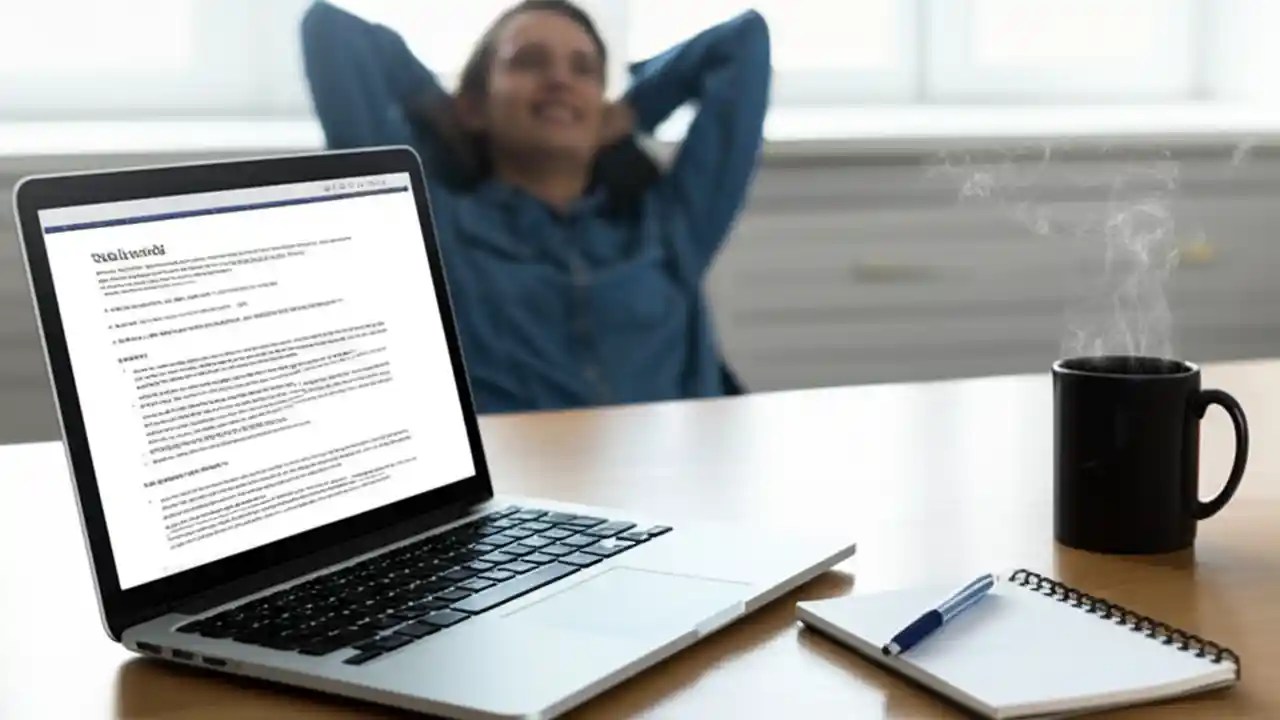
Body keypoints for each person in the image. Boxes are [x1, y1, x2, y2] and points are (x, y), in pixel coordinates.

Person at [301, 1, 770, 413]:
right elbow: (330, 31)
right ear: (475, 107)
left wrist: (635, 110)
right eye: (528, 62)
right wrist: (446, 116)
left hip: (679, 492)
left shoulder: (669, 230)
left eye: (584, 70)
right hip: (531, 497)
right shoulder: (434, 230)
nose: (560, 80)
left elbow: (744, 40)